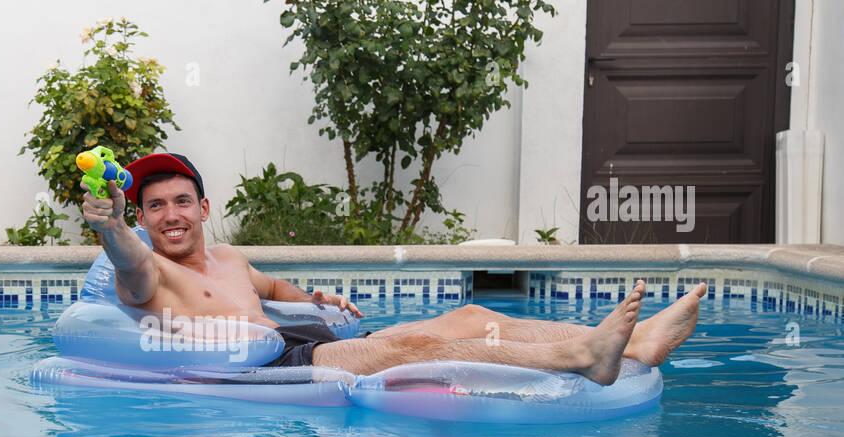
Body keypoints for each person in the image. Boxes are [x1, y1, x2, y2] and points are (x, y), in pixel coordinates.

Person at [81, 152, 706, 384]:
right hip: (263, 368)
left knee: (471, 315)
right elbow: (130, 267)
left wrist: (318, 299)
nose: (170, 216)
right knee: (410, 347)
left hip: (304, 340)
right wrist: (112, 228)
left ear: (203, 206)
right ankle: (579, 358)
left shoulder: (227, 255)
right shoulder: (150, 272)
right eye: (154, 207)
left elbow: (272, 289)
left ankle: (640, 342)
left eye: (181, 201)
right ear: (141, 216)